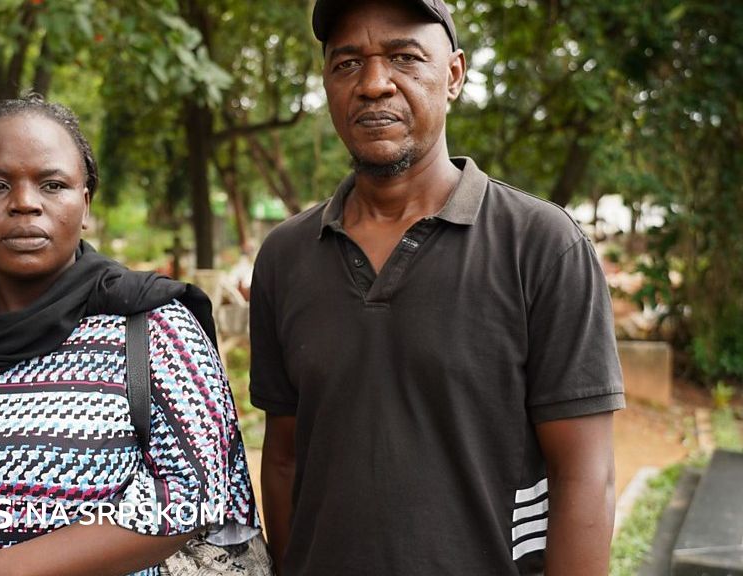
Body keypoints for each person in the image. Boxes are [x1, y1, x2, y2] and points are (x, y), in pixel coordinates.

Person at [249, 1, 625, 574]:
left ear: (453, 74)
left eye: (404, 57)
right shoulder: (285, 257)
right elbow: (283, 460)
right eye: (348, 64)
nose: (374, 84)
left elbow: (585, 479)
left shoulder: (544, 247)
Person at [0, 94, 261, 576]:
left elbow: (190, 495)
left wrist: (3, 571)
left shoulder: (157, 330)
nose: (24, 204)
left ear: (85, 203)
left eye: (53, 184)